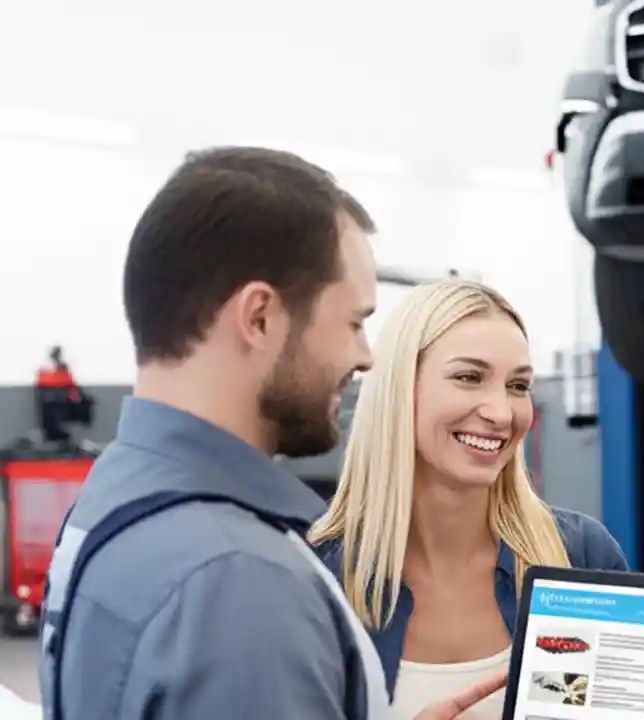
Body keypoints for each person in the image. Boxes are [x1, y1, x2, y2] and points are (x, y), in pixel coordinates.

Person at [38, 147, 503, 719]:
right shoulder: (241, 582)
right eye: (354, 323)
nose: (365, 357)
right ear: (259, 317)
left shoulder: (114, 499)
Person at [310, 280, 629, 720]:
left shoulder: (579, 556)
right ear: (400, 388)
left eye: (518, 385)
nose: (501, 413)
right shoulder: (316, 580)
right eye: (468, 377)